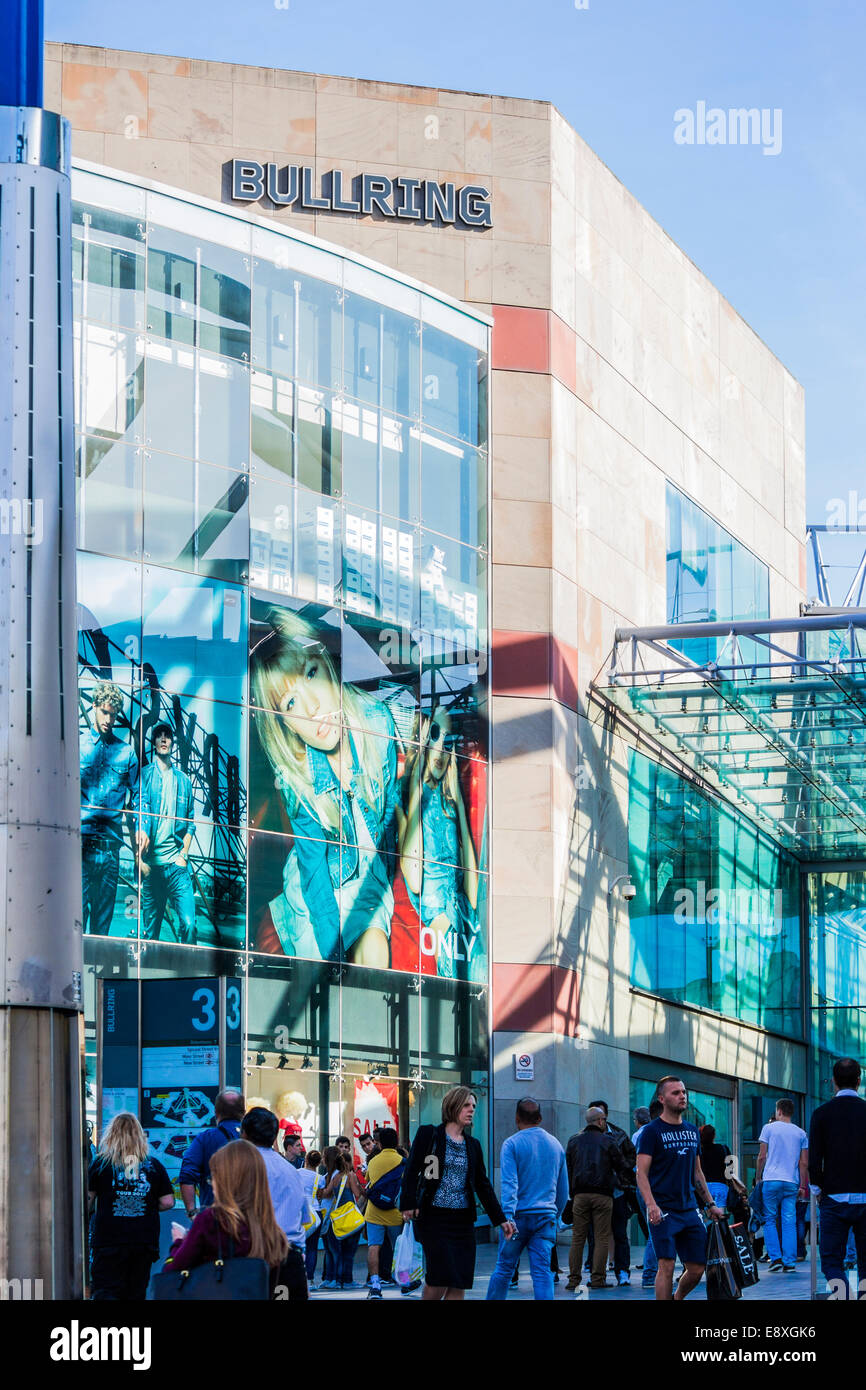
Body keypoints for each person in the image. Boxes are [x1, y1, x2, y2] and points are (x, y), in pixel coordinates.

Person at [250, 606, 400, 967]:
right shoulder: (296, 778)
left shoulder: (379, 726)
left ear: (329, 666)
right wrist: (333, 961)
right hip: (317, 889)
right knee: (322, 982)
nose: (313, 708)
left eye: (312, 674)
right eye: (290, 703)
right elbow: (316, 879)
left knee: (376, 960)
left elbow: (391, 813)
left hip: (366, 876)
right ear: (285, 724)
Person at [400, 1085, 514, 1300]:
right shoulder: (429, 1134)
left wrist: (500, 1219)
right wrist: (408, 1203)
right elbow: (413, 1169)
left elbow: (482, 1184)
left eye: (474, 1106)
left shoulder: (473, 1145)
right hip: (434, 1218)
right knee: (439, 1277)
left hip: (462, 1221)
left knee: (459, 1279)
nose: (471, 1110)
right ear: (453, 1107)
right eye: (466, 1105)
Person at [398, 708, 483, 981]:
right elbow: (414, 878)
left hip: (467, 927)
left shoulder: (447, 805)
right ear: (420, 739)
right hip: (441, 933)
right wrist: (416, 786)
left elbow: (472, 892)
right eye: (435, 735)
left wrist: (458, 800)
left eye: (447, 742)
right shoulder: (404, 801)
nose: (440, 748)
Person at [636, 1076, 725, 1301]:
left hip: (689, 1209)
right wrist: (651, 1205)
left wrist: (711, 1204)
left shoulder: (692, 1130)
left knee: (697, 1268)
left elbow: (697, 1173)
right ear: (662, 1098)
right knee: (666, 1266)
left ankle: (678, 1298)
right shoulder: (651, 1132)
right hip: (663, 1210)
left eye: (683, 1092)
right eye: (675, 1093)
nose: (682, 1096)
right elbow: (641, 1174)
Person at [164, 1140, 287, 1293]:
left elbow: (172, 1273)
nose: (212, 1185)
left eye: (213, 1179)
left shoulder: (210, 1221)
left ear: (225, 1182)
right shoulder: (274, 1234)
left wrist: (178, 1243)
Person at [486, 1098, 568, 1301]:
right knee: (542, 1274)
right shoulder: (555, 1145)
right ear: (540, 1118)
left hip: (518, 1217)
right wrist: (555, 1215)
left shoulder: (511, 1144)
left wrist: (507, 1216)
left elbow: (509, 1184)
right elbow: (563, 1189)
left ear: (516, 1118)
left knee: (504, 1269)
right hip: (545, 1217)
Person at [87, 1112, 175, 1299]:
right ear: (139, 1136)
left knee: (106, 1291)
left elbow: (88, 1199)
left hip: (109, 1239)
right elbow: (168, 1201)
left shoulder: (101, 1164)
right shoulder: (153, 1165)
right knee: (135, 1292)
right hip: (143, 1241)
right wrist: (145, 1204)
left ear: (111, 1135)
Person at [80, 681, 139, 935]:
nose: (108, 720)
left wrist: (142, 829)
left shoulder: (126, 753)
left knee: (101, 932)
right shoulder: (77, 745)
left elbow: (139, 798)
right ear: (94, 707)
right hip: (80, 849)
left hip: (110, 852)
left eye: (113, 715)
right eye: (105, 712)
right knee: (75, 926)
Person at [808, 1055, 866, 1299]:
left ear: (833, 1081)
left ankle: (845, 1297)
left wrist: (819, 1189)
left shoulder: (821, 1114)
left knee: (832, 1261)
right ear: (859, 1080)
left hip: (833, 1196)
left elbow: (813, 1160)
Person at [241, 1106, 308, 1301]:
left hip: (253, 1258)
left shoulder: (241, 1167)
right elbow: (304, 1217)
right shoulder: (291, 1171)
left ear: (244, 1134)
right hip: (289, 1258)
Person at [137, 723, 197, 943]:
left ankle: (192, 976)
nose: (163, 739)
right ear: (154, 742)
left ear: (172, 742)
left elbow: (190, 822)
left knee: (189, 925)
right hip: (152, 868)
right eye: (159, 736)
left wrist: (184, 856)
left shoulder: (184, 781)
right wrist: (140, 862)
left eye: (167, 736)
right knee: (149, 936)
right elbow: (137, 818)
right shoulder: (144, 776)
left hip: (176, 867)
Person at [566, 1107, 629, 1291]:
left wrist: (572, 1193)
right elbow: (622, 1165)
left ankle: (573, 1280)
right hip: (603, 1195)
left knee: (578, 1238)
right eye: (604, 1120)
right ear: (600, 1121)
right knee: (602, 1237)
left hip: (579, 1195)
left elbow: (568, 1168)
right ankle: (597, 1279)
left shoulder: (573, 1141)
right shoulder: (608, 1141)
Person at [587, 1098, 636, 1286]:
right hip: (596, 1192)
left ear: (605, 1117)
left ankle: (622, 1271)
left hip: (617, 1192)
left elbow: (631, 1156)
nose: (598, 1120)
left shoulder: (619, 1135)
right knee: (597, 1235)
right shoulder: (584, 1137)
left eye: (600, 1115)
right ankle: (597, 1274)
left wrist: (622, 1172)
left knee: (620, 1233)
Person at [756, 1098, 808, 1273]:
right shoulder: (801, 1133)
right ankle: (790, 1261)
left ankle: (775, 1258)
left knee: (769, 1219)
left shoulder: (768, 1128)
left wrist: (758, 1177)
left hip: (771, 1179)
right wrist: (802, 1185)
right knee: (789, 1221)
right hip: (791, 1182)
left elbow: (762, 1156)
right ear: (791, 1112)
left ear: (778, 1111)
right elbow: (803, 1163)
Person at [179, 1089, 244, 1217]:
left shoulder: (205, 1139)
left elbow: (187, 1176)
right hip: (247, 1219)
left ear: (216, 1112)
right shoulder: (253, 1138)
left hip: (213, 1219)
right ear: (243, 1112)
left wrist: (192, 1213)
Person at [364, 1127, 405, 1299]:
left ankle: (375, 1283)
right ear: (396, 1142)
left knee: (374, 1246)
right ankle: (404, 1280)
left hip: (373, 1211)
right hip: (395, 1212)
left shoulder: (373, 1162)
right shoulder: (403, 1161)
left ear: (379, 1143)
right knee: (398, 1247)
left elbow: (369, 1183)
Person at [318, 1146, 365, 1290]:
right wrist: (364, 1190)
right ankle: (347, 1280)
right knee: (349, 1252)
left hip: (338, 1219)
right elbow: (357, 1193)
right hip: (349, 1218)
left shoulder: (335, 1177)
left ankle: (337, 1280)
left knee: (337, 1251)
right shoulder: (349, 1175)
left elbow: (326, 1192)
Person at [632, 1102, 662, 1289]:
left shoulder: (640, 1134)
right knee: (655, 1231)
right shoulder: (649, 1133)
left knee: (656, 1231)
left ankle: (652, 1273)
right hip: (651, 1187)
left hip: (647, 1186)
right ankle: (650, 1274)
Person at [300, 1149, 324, 1284]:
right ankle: (310, 1279)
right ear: (319, 1163)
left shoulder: (296, 1173)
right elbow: (320, 1195)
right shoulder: (319, 1178)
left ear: (306, 1160)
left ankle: (300, 1277)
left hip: (301, 1211)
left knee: (299, 1245)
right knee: (312, 1247)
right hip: (315, 1213)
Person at [699, 1124, 733, 1212]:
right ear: (714, 1136)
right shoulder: (723, 1149)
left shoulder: (699, 1151)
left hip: (704, 1187)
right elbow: (730, 1169)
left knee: (707, 1220)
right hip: (720, 1186)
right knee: (720, 1216)